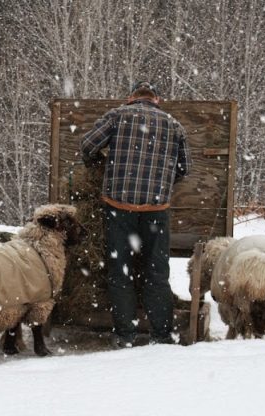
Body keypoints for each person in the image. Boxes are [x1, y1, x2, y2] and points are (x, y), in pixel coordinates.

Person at [80, 80, 192, 348]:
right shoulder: (174, 125)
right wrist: (162, 183)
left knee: (121, 271)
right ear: (157, 99)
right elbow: (185, 168)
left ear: (131, 97)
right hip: (156, 211)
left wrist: (98, 165)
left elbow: (87, 145)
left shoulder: (118, 115)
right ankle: (161, 336)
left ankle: (124, 336)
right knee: (157, 272)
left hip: (119, 208)